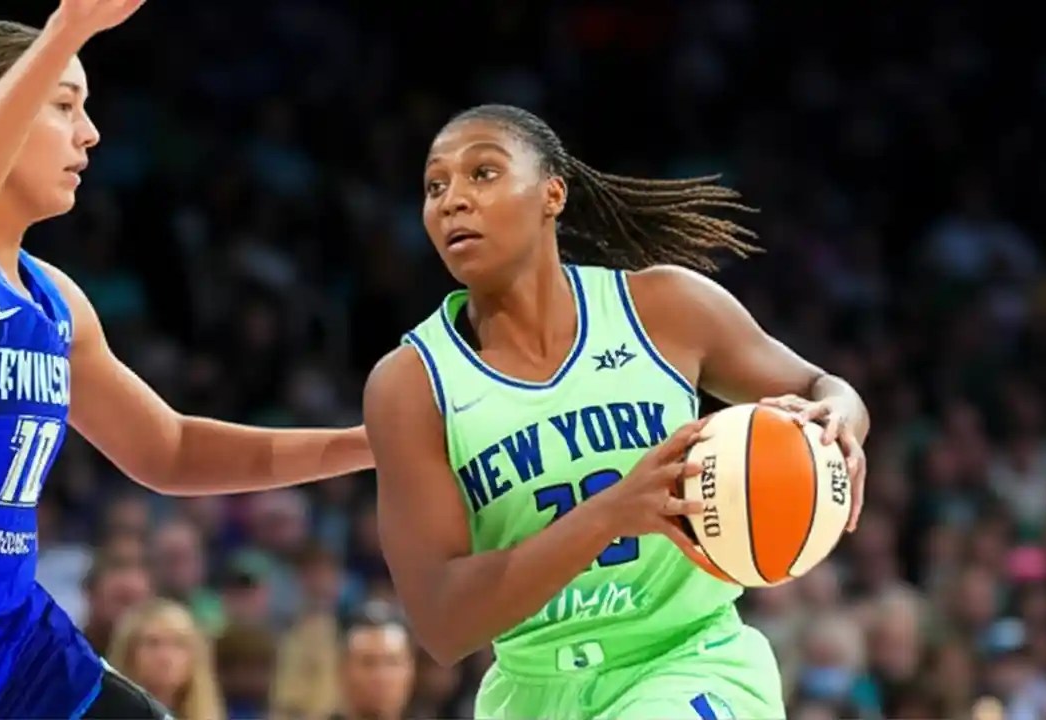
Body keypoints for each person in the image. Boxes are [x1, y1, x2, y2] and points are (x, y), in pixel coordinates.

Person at [0, 2, 372, 718]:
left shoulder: (54, 300)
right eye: (64, 106)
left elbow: (172, 450)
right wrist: (68, 26)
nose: (90, 134)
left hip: (10, 645)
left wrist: (369, 445)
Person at [363, 104, 870, 719]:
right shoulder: (411, 384)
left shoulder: (664, 309)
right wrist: (611, 515)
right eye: (435, 186)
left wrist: (840, 418)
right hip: (531, 692)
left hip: (687, 659)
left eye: (484, 173)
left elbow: (822, 386)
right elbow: (441, 623)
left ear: (552, 193)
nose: (452, 201)